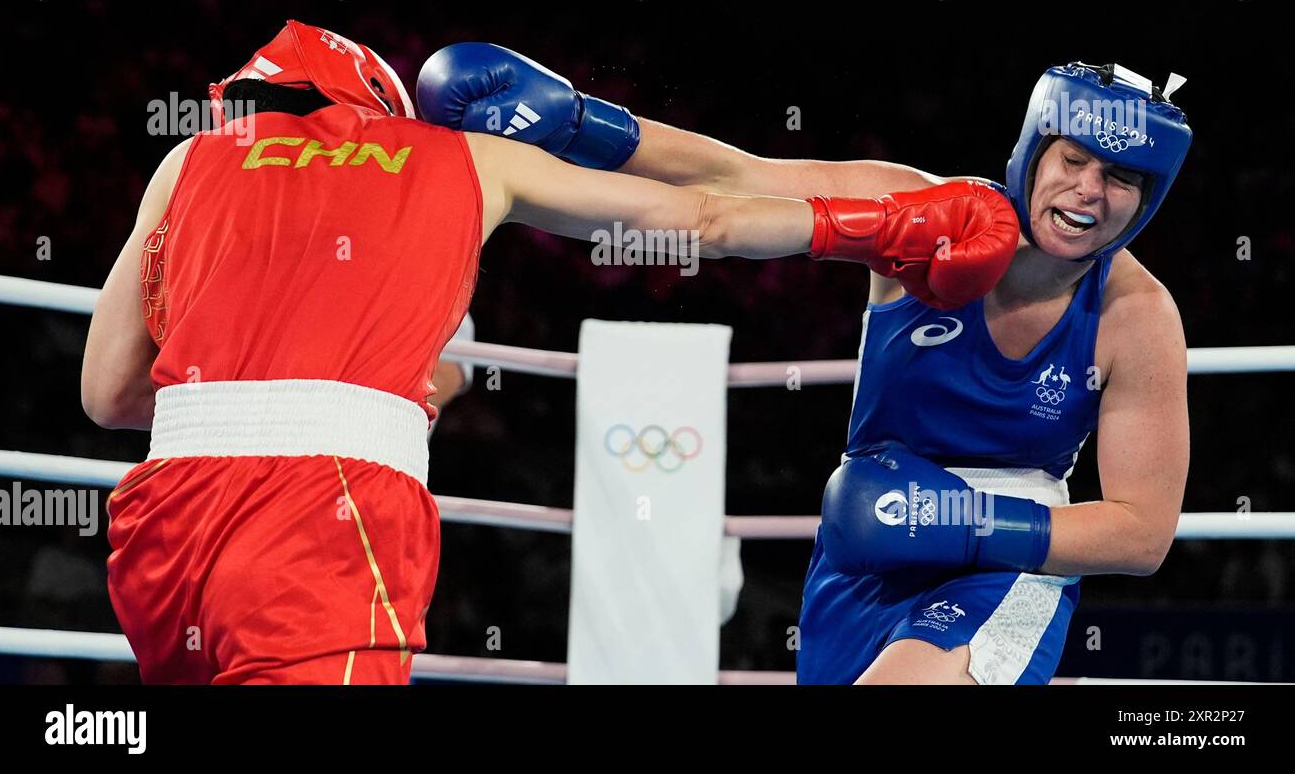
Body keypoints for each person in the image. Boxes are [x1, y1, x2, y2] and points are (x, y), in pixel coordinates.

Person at [81, 20, 1016, 684]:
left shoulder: (189, 159)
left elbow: (108, 393)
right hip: (325, 514)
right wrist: (880, 227)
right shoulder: (463, 155)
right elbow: (704, 218)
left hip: (167, 522)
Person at [418, 47, 1192, 685]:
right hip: (862, 543)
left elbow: (1141, 533)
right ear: (1035, 152)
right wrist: (580, 124)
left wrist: (956, 522)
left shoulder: (1138, 317)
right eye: (1074, 160)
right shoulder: (913, 212)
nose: (1089, 192)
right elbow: (737, 181)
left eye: (1121, 178)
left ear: (1148, 199)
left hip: (1013, 560)